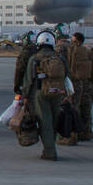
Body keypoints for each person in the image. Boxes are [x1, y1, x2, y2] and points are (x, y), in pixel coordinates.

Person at [20, 30, 69, 161]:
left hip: (41, 93)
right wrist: (68, 94)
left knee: (45, 122)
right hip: (58, 93)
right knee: (54, 120)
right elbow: (66, 76)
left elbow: (28, 80)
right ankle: (51, 145)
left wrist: (25, 95)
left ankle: (49, 151)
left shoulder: (34, 58)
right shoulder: (60, 58)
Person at [67, 32, 93, 142]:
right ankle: (86, 133)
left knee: (75, 108)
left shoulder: (76, 53)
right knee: (86, 110)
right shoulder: (90, 53)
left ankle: (74, 134)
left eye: (73, 41)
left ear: (77, 41)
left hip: (80, 84)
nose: (71, 43)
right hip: (90, 85)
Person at [13, 30, 37, 97]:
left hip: (27, 85)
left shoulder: (24, 54)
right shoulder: (39, 52)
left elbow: (19, 71)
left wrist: (16, 86)